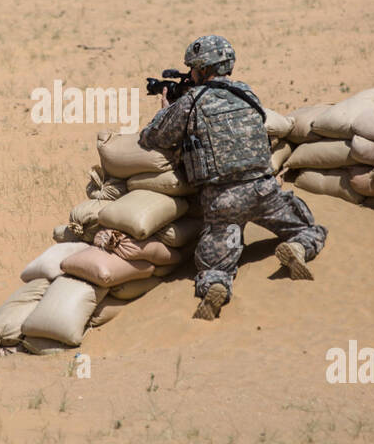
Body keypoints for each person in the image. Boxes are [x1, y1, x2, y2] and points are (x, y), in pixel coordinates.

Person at [137, 36, 328, 320]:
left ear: (202, 68)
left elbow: (153, 137)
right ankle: (297, 247)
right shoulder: (247, 93)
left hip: (222, 202)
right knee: (311, 229)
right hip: (266, 192)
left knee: (213, 267)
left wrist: (166, 108)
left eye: (193, 68)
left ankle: (217, 288)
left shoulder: (192, 101)